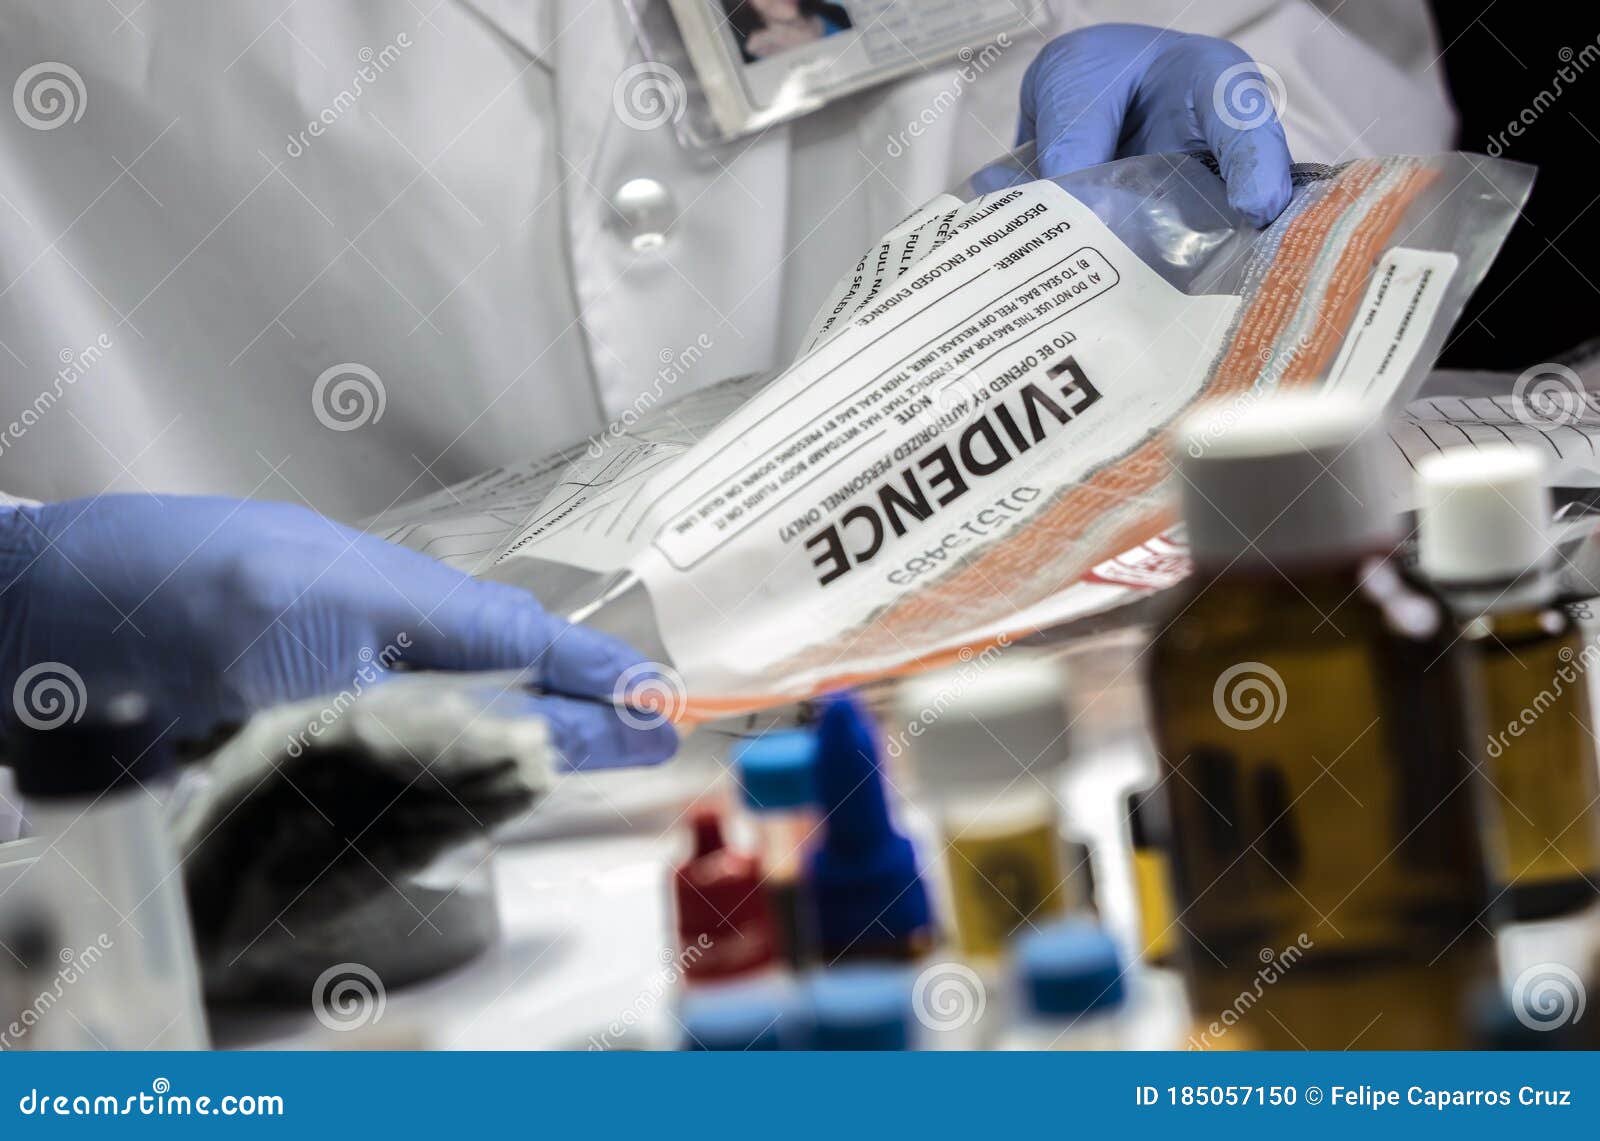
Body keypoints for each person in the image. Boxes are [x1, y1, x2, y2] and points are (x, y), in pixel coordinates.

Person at [0, 4, 1452, 767]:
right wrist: (22, 596)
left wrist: (1253, 171)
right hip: (241, 891)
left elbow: (1307, 63)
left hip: (1055, 717)